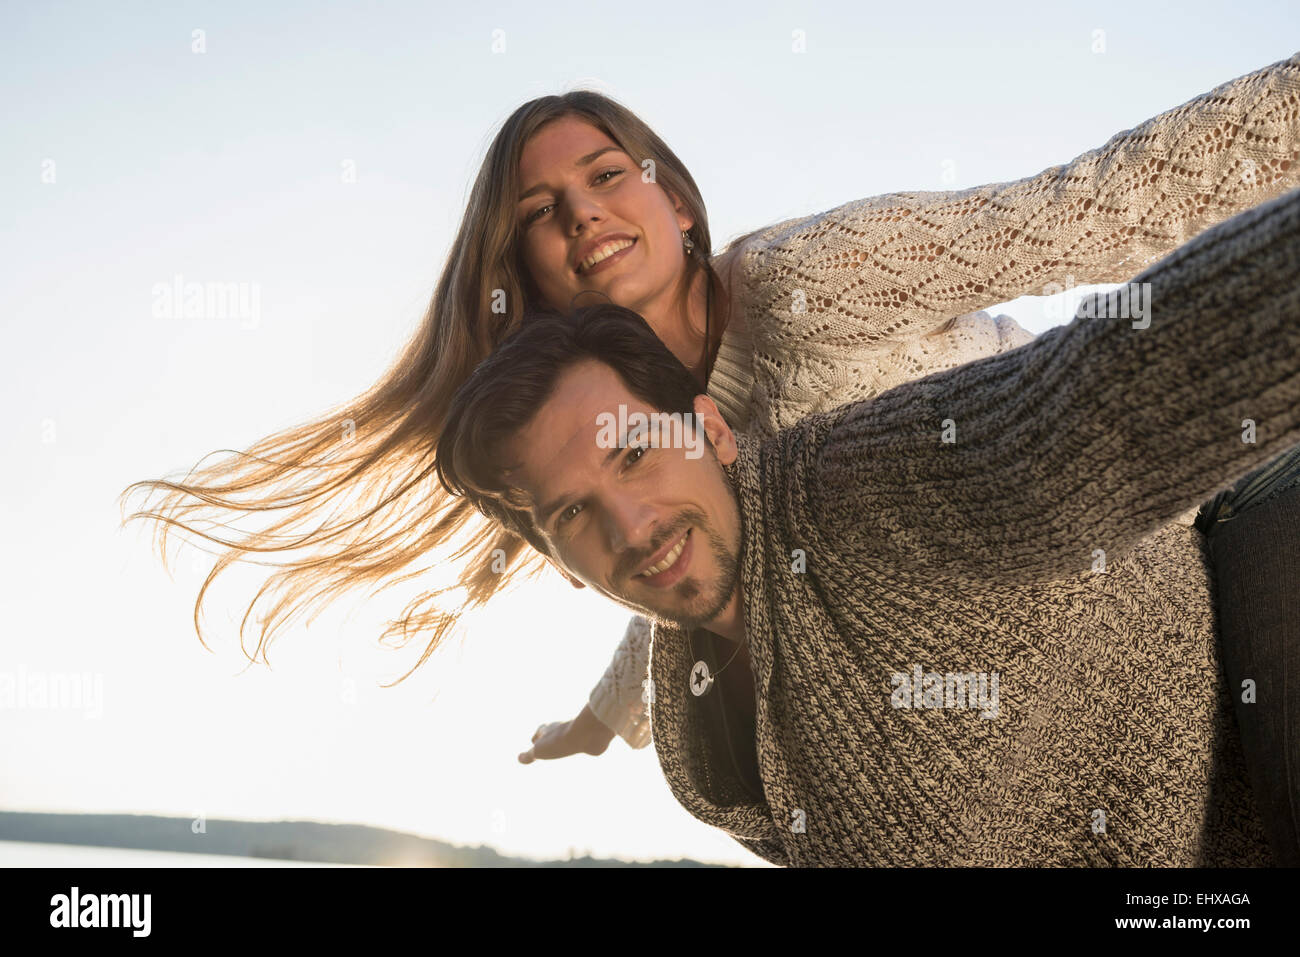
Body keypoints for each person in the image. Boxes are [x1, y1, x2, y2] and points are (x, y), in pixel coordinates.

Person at [121, 53, 1300, 855]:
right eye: (538, 214)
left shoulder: (808, 281)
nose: (579, 215)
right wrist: (601, 723)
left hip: (1189, 494)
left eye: (601, 177)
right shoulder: (648, 438)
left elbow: (1094, 210)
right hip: (1038, 691)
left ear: (675, 203)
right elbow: (689, 584)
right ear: (523, 273)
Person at [435, 184, 1300, 865]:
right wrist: (588, 728)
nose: (629, 524)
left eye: (633, 455)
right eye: (575, 512)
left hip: (1254, 525)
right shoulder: (697, 748)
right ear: (561, 563)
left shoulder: (864, 480)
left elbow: (1100, 391)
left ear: (712, 429)